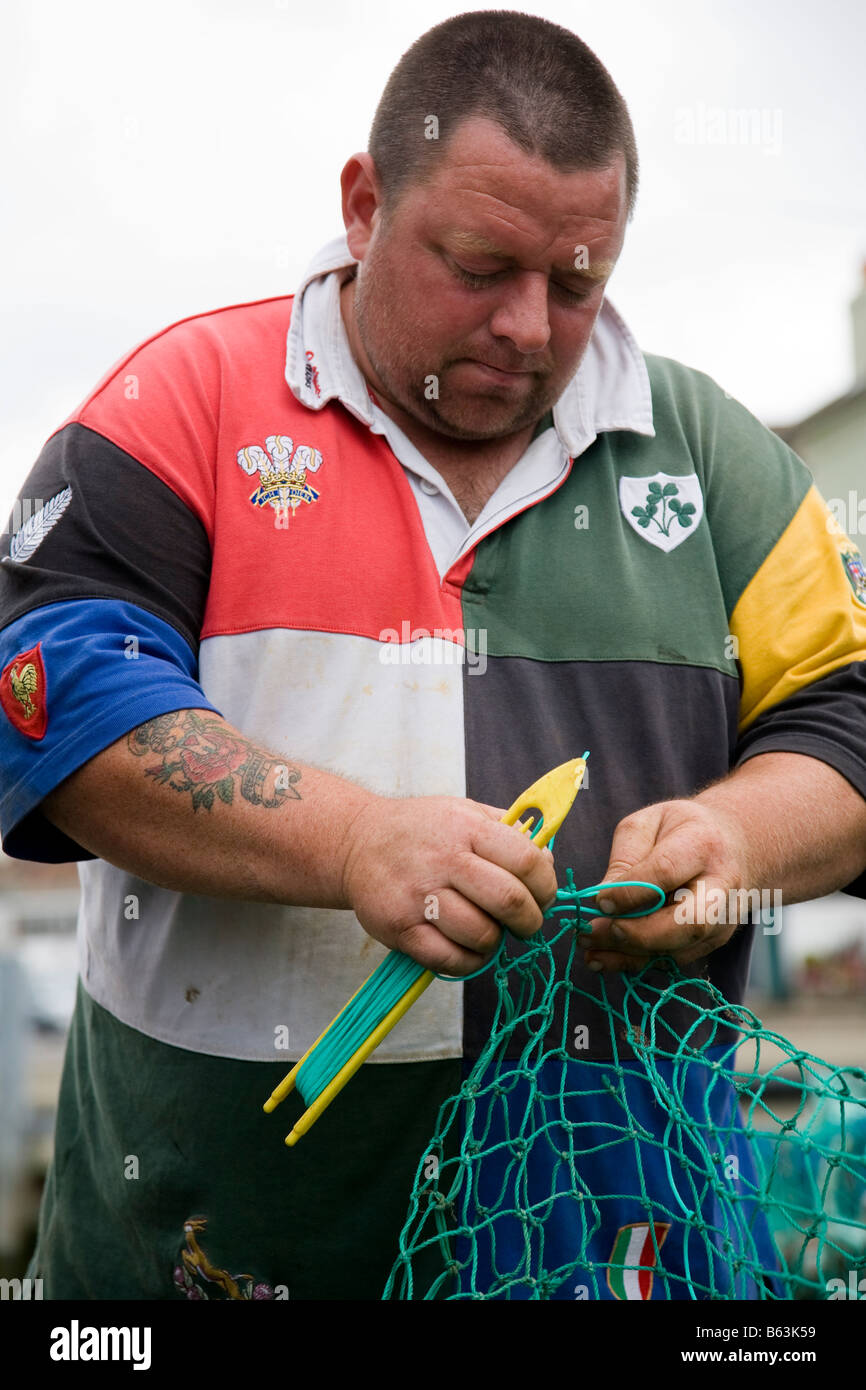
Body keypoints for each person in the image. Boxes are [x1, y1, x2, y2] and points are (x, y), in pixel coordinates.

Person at [2, 10, 866, 1301]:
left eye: (577, 279)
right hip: (214, 1238)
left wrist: (741, 836)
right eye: (477, 263)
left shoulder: (719, 455)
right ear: (362, 205)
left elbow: (844, 717)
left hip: (611, 1232)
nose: (527, 323)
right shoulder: (179, 403)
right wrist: (352, 840)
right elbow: (60, 710)